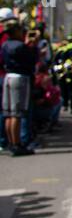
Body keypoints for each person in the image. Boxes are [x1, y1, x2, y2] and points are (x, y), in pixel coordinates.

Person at [2, 27, 40, 156]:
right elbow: (32, 60)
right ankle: (17, 144)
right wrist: (33, 45)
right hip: (19, 77)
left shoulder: (5, 45)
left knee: (8, 113)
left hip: (8, 76)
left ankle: (11, 143)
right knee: (17, 113)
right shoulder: (20, 46)